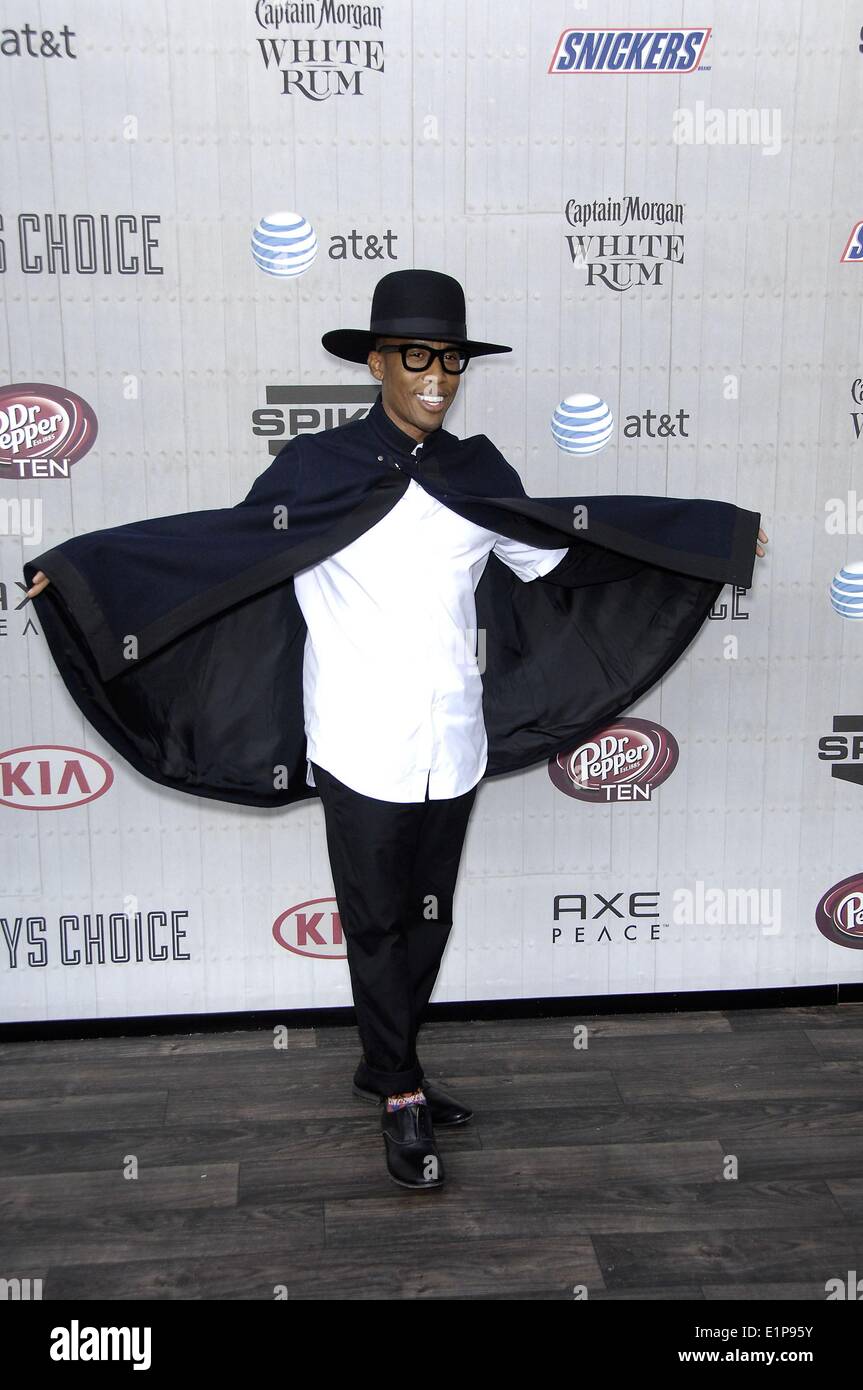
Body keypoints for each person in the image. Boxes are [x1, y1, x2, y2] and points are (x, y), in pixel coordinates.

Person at [24, 268, 769, 1192]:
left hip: (451, 740)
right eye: (416, 357)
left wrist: (707, 542)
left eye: (450, 360)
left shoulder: (475, 473)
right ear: (375, 361)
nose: (437, 378)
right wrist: (83, 572)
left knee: (426, 918)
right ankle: (402, 1094)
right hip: (359, 740)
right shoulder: (315, 472)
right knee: (376, 924)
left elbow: (563, 550)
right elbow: (216, 548)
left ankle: (386, 1065)